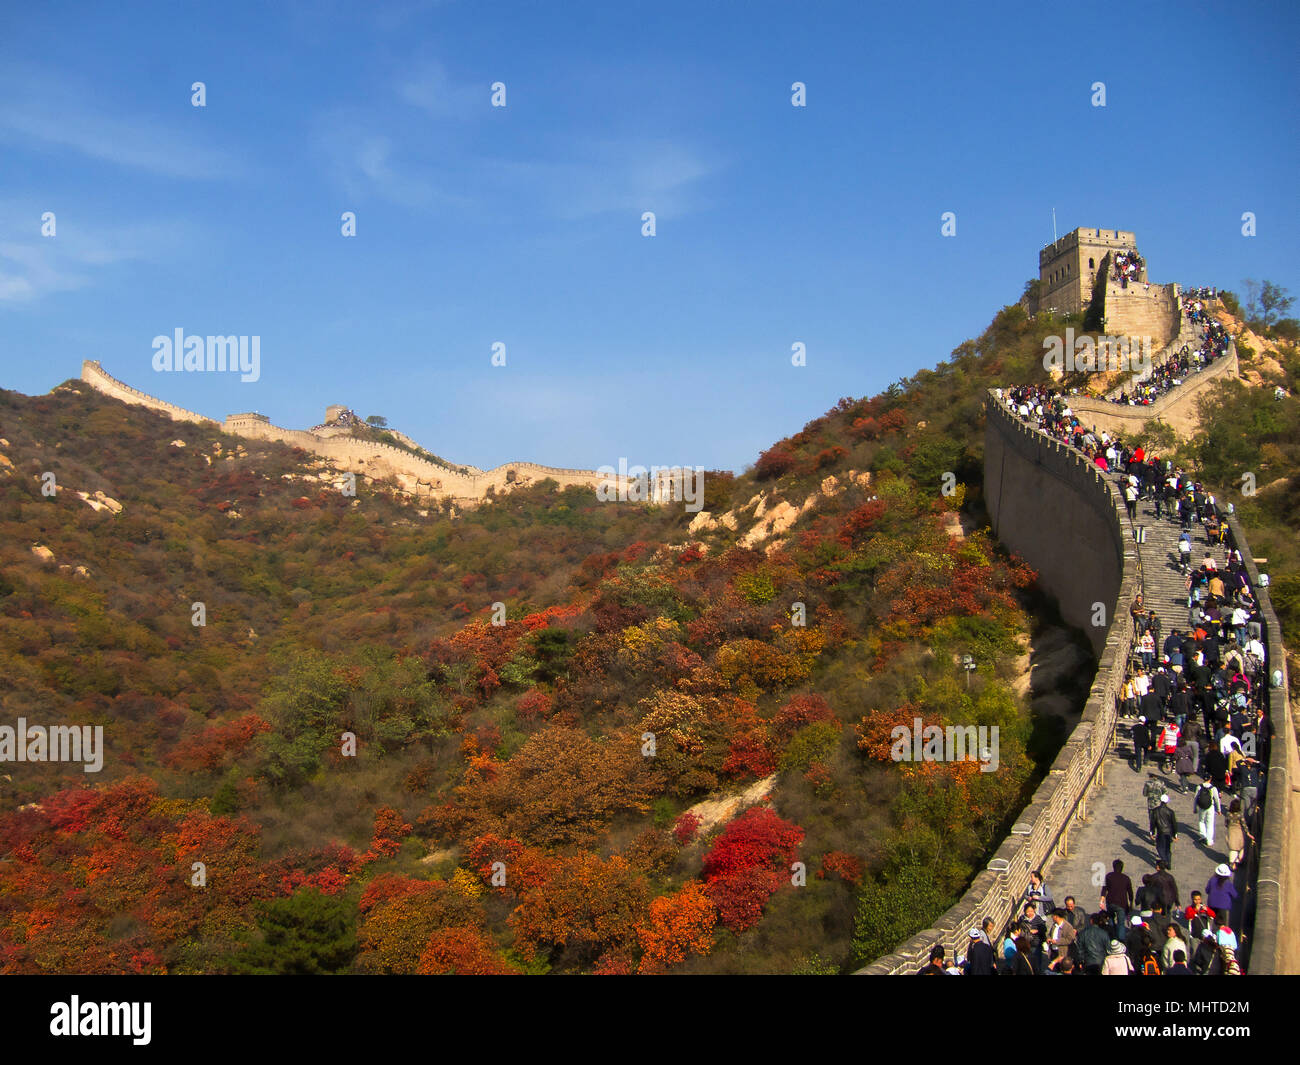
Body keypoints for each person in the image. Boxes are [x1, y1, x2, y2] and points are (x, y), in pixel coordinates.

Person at [1102, 860, 1134, 936]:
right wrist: (1131, 902)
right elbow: (1130, 892)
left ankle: (1111, 936)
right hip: (1122, 904)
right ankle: (1121, 940)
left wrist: (1102, 900)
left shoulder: (1108, 876)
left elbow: (1104, 889)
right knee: (1121, 923)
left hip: (1110, 902)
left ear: (1113, 867)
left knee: (1110, 919)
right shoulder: (1126, 878)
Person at [1224, 800, 1254, 870]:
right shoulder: (1240, 814)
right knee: (1241, 846)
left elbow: (1226, 823)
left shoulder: (1228, 814)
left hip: (1231, 831)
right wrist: (1248, 833)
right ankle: (1238, 860)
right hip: (1239, 831)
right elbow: (1244, 824)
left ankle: (1232, 863)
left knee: (1232, 847)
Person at [1192, 777, 1221, 845]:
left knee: (1201, 821)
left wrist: (1195, 808)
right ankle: (1209, 840)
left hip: (1201, 807)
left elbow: (1195, 798)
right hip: (1210, 807)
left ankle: (1203, 836)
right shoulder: (1213, 788)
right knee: (1210, 824)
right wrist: (1219, 809)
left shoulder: (1199, 787)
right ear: (1210, 779)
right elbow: (1217, 799)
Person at [1153, 794, 1178, 868]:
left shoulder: (1155, 811)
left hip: (1160, 832)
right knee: (1168, 848)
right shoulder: (1170, 812)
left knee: (1159, 847)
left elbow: (1153, 822)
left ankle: (1164, 861)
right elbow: (1174, 824)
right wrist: (1175, 834)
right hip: (1169, 833)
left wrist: (1152, 832)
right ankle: (1169, 863)